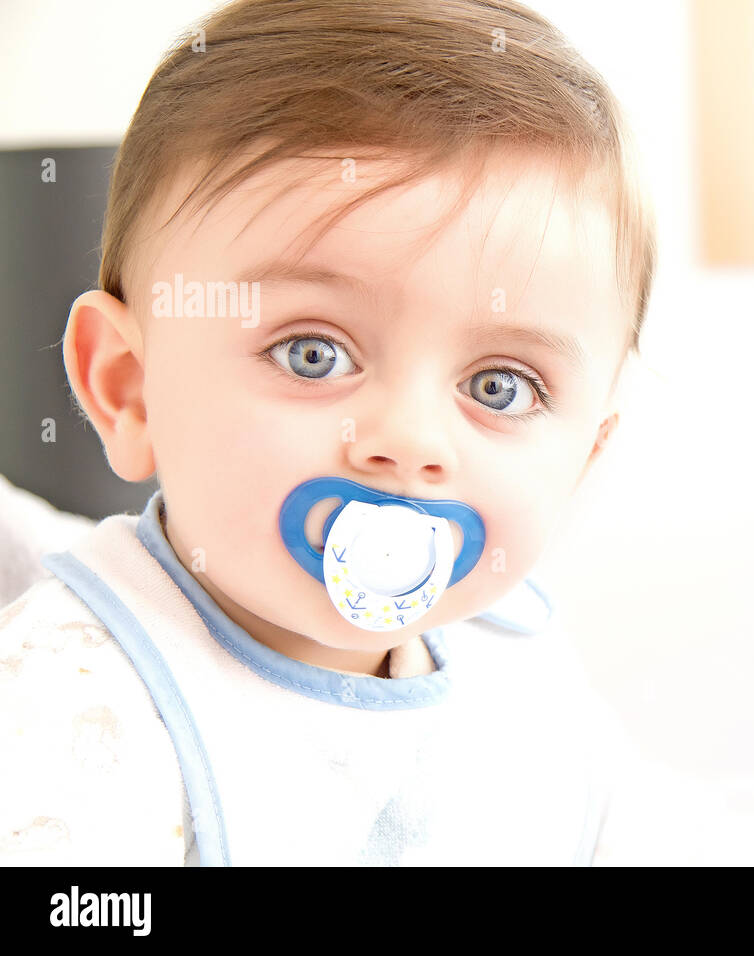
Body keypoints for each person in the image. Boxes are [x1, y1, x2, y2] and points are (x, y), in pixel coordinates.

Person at [0, 0, 657, 866]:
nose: (410, 440)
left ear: (584, 460)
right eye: (313, 353)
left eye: (501, 385)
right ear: (130, 390)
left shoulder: (525, 677)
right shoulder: (71, 704)